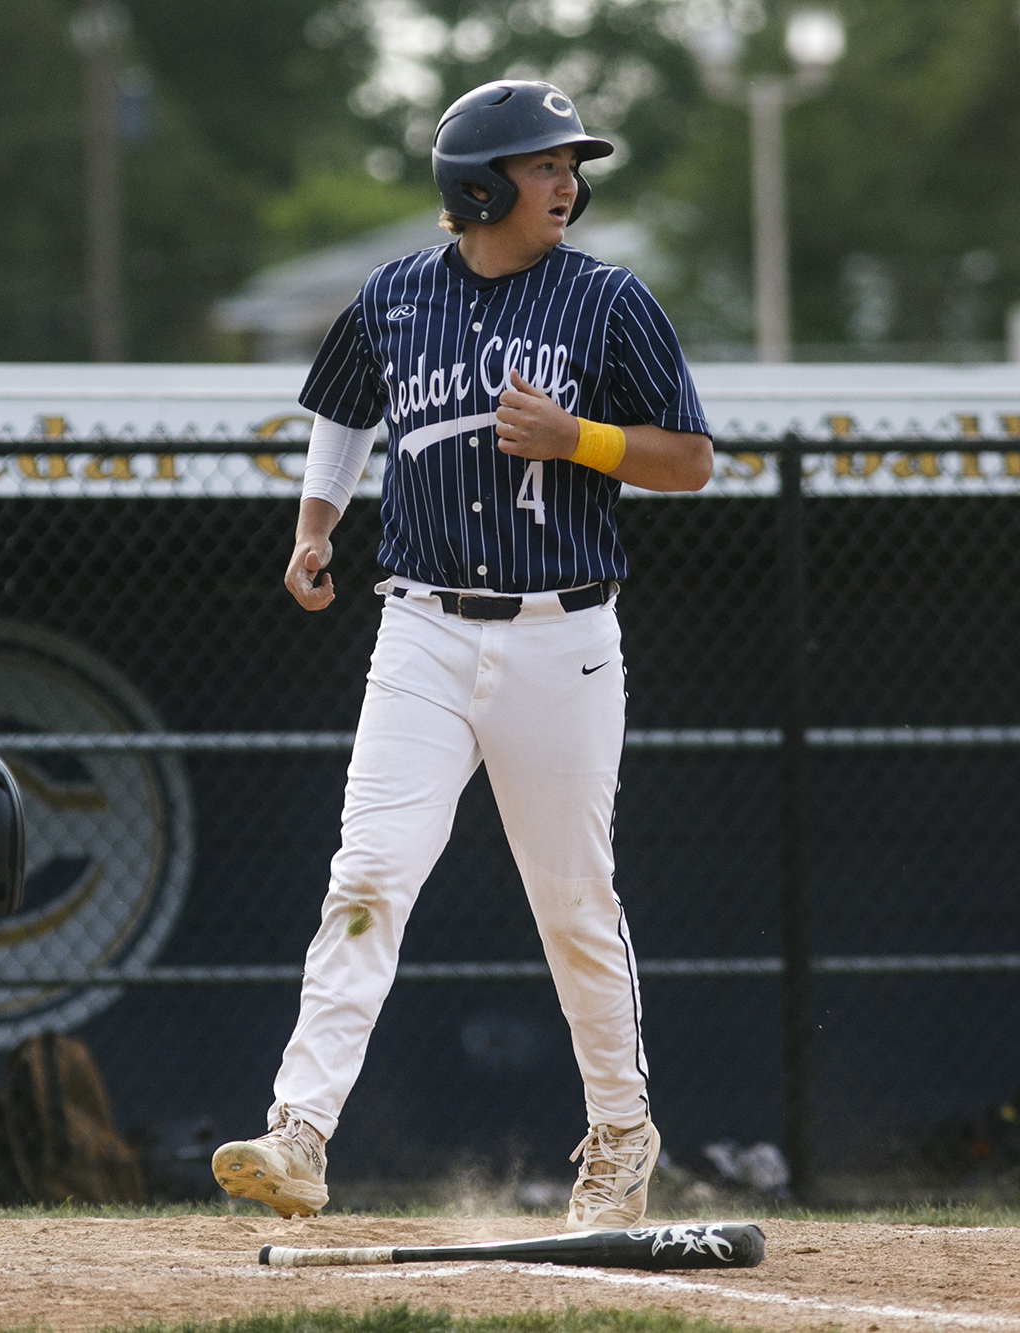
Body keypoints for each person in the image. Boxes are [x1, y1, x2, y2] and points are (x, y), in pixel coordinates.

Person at [211, 80, 712, 1226]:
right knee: (366, 878)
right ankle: (298, 1131)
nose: (566, 184)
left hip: (564, 637)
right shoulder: (394, 297)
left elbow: (688, 459)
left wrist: (574, 437)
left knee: (572, 904)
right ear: (478, 184)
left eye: (567, 166)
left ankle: (620, 1137)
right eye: (544, 166)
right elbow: (344, 406)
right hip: (422, 629)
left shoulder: (606, 302)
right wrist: (313, 522)